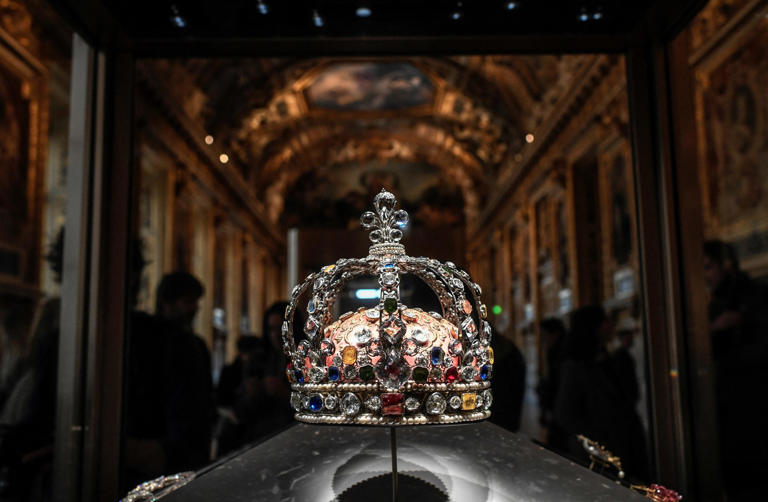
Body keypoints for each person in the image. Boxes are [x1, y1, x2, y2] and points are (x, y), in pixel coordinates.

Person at [124, 272, 215, 485]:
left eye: (195, 302)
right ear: (166, 303)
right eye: (187, 302)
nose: (194, 309)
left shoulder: (194, 345)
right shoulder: (148, 339)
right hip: (161, 447)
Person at [703, 240, 768, 498]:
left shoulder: (754, 295)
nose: (704, 276)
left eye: (708, 267)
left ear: (726, 266)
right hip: (726, 408)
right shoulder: (711, 305)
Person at [554, 305, 648, 481]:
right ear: (593, 326)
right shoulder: (577, 367)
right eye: (605, 321)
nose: (611, 325)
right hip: (600, 454)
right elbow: (565, 413)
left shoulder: (605, 360)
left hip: (617, 447)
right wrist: (598, 443)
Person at [536, 317, 568, 453]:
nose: (543, 340)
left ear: (554, 334)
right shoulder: (555, 352)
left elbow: (556, 384)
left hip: (560, 412)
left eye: (544, 336)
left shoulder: (560, 355)